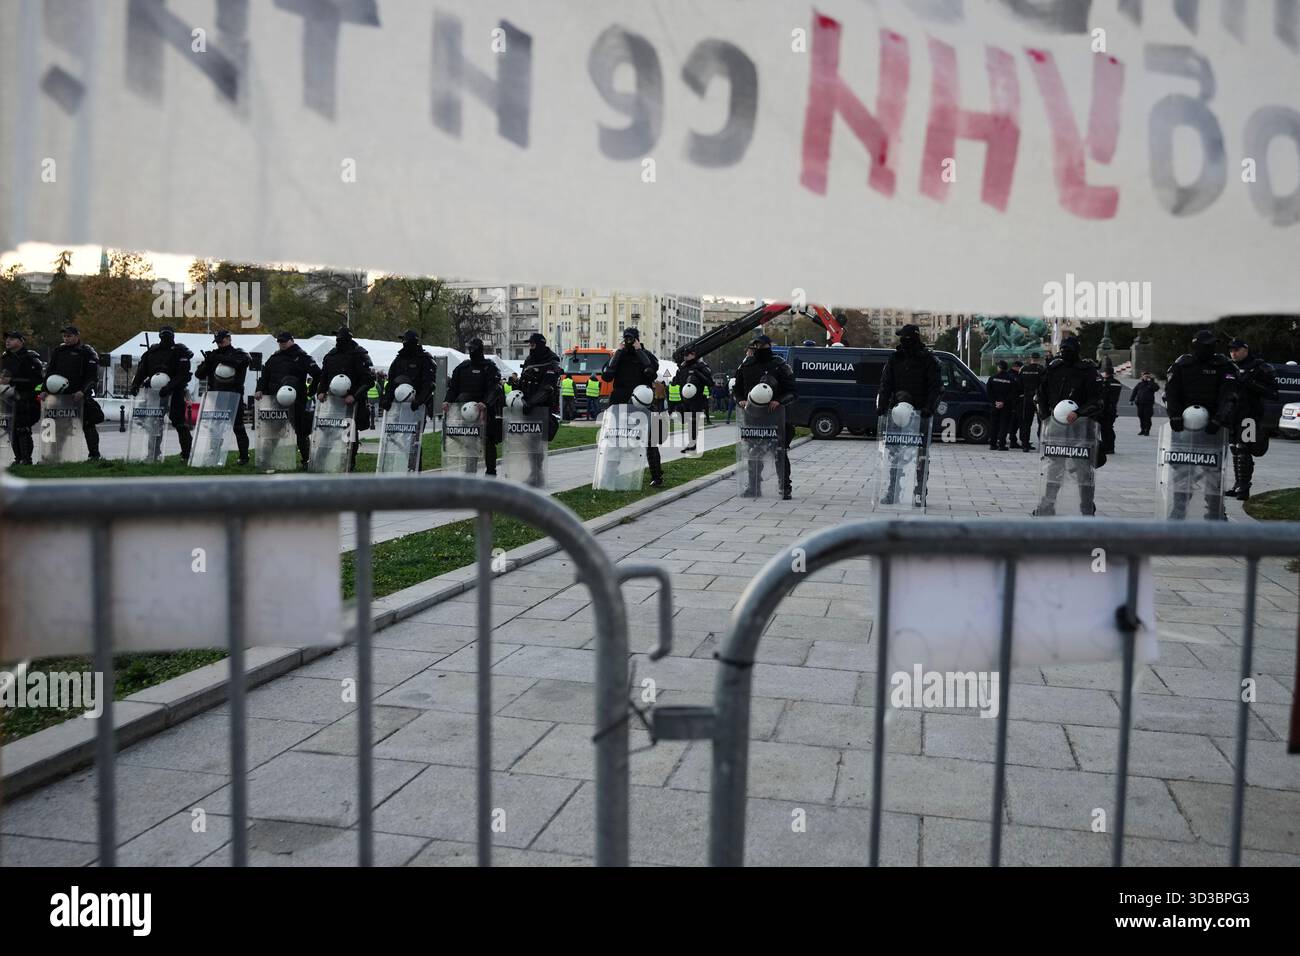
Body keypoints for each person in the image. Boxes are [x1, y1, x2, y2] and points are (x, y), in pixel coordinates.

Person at [1163, 329, 1237, 519]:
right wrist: (1175, 416)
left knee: (1214, 473)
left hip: (1214, 429)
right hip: (1184, 427)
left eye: (1213, 345)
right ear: (1196, 346)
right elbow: (1171, 392)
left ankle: (1215, 512)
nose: (1210, 349)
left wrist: (1219, 418)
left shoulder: (1224, 366)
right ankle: (1178, 511)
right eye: (1207, 345)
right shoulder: (1182, 364)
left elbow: (1229, 395)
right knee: (1182, 471)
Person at [1033, 335, 1104, 516]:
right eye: (1063, 350)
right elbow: (1040, 394)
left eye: (1068, 350)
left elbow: (1097, 400)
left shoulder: (1087, 371)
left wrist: (1079, 413)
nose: (1065, 353)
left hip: (1081, 430)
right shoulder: (1054, 369)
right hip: (1056, 429)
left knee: (1083, 472)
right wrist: (1044, 417)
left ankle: (1086, 507)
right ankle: (1047, 506)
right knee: (1053, 471)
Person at [876, 324, 941, 505]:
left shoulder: (928, 360)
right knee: (895, 454)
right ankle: (892, 491)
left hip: (920, 414)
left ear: (914, 337)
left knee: (921, 456)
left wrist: (929, 408)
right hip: (897, 414)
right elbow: (885, 384)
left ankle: (919, 493)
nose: (902, 341)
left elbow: (936, 388)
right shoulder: (895, 358)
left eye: (905, 337)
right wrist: (882, 406)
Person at [732, 334, 797, 499]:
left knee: (780, 453)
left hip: (776, 418)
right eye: (756, 346)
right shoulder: (746, 365)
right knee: (754, 452)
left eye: (762, 346)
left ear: (769, 345)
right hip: (753, 417)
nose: (759, 349)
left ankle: (785, 487)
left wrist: (779, 400)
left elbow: (793, 391)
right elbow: (736, 389)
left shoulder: (780, 365)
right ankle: (753, 487)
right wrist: (740, 400)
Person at [602, 326, 664, 487]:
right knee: (615, 439)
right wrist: (617, 354)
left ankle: (657, 476)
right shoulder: (619, 355)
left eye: (632, 339)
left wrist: (639, 351)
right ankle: (610, 472)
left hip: (641, 402)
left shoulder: (646, 355)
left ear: (637, 339)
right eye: (626, 338)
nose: (628, 341)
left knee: (650, 441)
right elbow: (607, 376)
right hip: (620, 402)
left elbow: (652, 372)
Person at [255, 331, 322, 468]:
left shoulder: (302, 357)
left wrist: (311, 391)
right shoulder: (274, 358)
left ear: (292, 340)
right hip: (275, 400)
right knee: (273, 431)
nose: (282, 344)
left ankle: (307, 460)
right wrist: (259, 389)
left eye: (284, 341)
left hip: (296, 400)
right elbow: (265, 376)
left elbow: (317, 374)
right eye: (280, 342)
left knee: (301, 432)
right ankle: (266, 459)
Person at [130, 325, 195, 460]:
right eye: (164, 335)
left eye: (168, 335)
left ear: (173, 336)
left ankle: (187, 454)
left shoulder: (179, 351)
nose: (166, 337)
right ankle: (153, 453)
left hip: (175, 392)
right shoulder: (152, 352)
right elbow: (142, 370)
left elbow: (183, 374)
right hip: (154, 393)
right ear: (160, 336)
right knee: (154, 423)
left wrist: (170, 387)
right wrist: (135, 385)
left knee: (179, 423)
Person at [316, 326, 375, 471]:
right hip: (334, 401)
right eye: (338, 339)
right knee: (329, 431)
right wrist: (321, 391)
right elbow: (324, 376)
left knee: (349, 433)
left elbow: (368, 380)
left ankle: (348, 462)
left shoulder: (359, 354)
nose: (339, 341)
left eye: (341, 339)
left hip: (352, 402)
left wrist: (354, 396)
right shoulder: (331, 356)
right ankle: (319, 462)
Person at [43, 324, 106, 460]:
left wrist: (83, 391)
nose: (66, 338)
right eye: (64, 336)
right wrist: (44, 389)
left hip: (80, 396)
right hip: (61, 396)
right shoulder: (58, 351)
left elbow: (92, 377)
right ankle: (55, 455)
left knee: (88, 425)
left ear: (77, 336)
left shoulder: (86, 352)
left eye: (69, 336)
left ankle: (94, 455)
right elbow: (50, 372)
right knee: (58, 427)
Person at [1227, 337, 1276, 501]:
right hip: (1232, 414)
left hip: (1250, 414)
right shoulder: (1228, 366)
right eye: (1231, 350)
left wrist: (1251, 383)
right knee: (1234, 448)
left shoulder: (1260, 367)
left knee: (1243, 449)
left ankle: (1244, 486)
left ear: (1245, 350)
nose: (1233, 353)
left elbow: (1273, 393)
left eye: (1236, 349)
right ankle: (1237, 483)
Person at [444, 337, 502, 475]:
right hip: (465, 412)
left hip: (484, 411)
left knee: (488, 442)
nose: (470, 351)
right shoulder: (462, 367)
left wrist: (485, 403)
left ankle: (491, 472)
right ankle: (470, 472)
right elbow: (453, 388)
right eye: (469, 348)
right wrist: (447, 401)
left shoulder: (489, 367)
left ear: (479, 349)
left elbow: (494, 388)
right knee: (469, 442)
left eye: (473, 348)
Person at [195, 329, 252, 464]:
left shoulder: (239, 353)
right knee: (215, 428)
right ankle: (214, 454)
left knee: (238, 427)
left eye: (222, 340)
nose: (220, 344)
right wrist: (208, 362)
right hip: (216, 396)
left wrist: (218, 358)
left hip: (234, 395)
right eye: (218, 342)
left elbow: (240, 363)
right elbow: (199, 374)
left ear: (229, 339)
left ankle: (244, 457)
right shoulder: (213, 355)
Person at [516, 332, 562, 485]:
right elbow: (523, 381)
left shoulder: (551, 360)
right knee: (530, 442)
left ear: (540, 344)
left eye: (533, 344)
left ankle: (538, 473)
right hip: (527, 406)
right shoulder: (530, 359)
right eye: (529, 344)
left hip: (542, 407)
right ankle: (533, 472)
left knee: (537, 442)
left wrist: (532, 403)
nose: (530, 347)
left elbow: (547, 388)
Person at [1, 330, 43, 465]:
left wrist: (13, 380)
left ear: (21, 341)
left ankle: (26, 459)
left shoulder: (30, 358)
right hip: (7, 399)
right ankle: (17, 458)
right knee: (11, 430)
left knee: (22, 429)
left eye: (12, 339)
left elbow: (37, 382)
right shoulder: (5, 358)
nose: (7, 341)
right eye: (7, 339)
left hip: (26, 399)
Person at [673, 347, 713, 452]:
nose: (685, 357)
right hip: (684, 399)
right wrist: (678, 372)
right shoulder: (683, 367)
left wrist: (697, 373)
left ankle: (692, 444)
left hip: (697, 399)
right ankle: (691, 443)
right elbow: (676, 381)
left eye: (688, 354)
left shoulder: (700, 366)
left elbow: (710, 382)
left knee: (693, 422)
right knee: (682, 417)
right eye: (684, 355)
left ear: (694, 355)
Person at [1016, 352, 1045, 451]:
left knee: (1026, 422)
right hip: (1039, 398)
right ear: (1039, 359)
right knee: (1041, 421)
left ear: (1030, 358)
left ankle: (1025, 445)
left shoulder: (1023, 369)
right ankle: (1041, 444)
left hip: (1026, 397)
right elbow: (1045, 384)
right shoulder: (1041, 369)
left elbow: (1019, 384)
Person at [986, 360, 1015, 451]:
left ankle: (992, 444)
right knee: (1004, 425)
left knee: (994, 424)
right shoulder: (1011, 379)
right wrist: (1003, 402)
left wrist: (995, 402)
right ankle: (1002, 444)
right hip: (1006, 406)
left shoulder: (992, 378)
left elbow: (989, 392)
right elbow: (1013, 393)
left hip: (995, 405)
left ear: (999, 367)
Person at [1099, 360, 1123, 455]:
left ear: (1106, 373)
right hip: (1113, 408)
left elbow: (1103, 396)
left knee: (1105, 429)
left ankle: (1107, 447)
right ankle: (1111, 447)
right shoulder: (1117, 383)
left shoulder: (1105, 383)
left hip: (1105, 409)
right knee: (1109, 428)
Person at [1129, 371, 1158, 436]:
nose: (1146, 377)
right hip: (1140, 403)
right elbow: (1134, 392)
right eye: (1145, 376)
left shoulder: (1152, 384)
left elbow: (1156, 388)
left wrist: (1151, 381)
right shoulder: (1140, 384)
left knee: (1147, 417)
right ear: (1142, 377)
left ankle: (1147, 430)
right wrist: (1131, 399)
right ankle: (1142, 430)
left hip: (1148, 403)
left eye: (1147, 376)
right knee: (1141, 416)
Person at [1006, 361, 1024, 449]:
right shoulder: (1014, 376)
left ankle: (1012, 439)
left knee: (1012, 423)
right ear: (1017, 367)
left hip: (1009, 402)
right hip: (1014, 402)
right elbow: (1018, 388)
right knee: (1014, 422)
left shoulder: (1009, 375)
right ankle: (1013, 440)